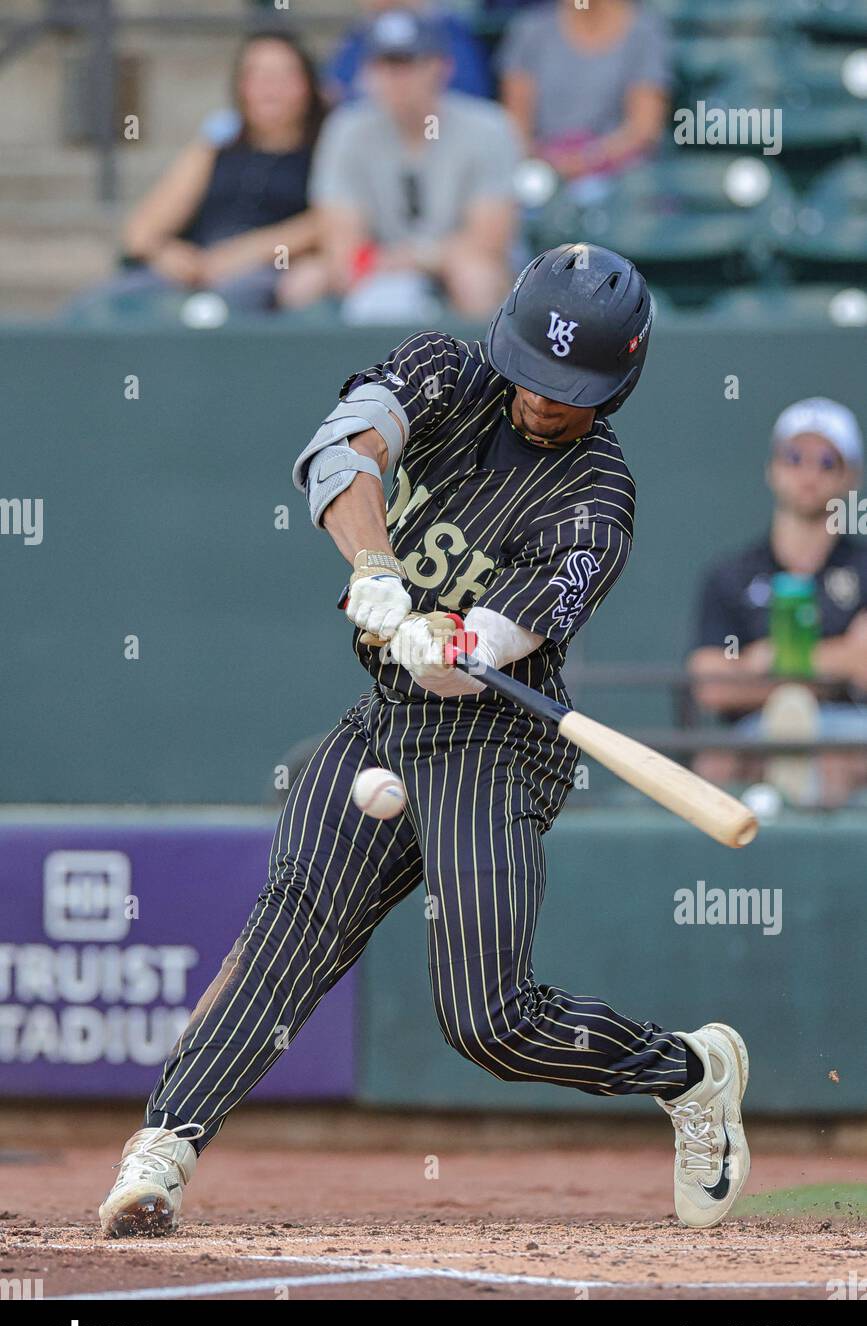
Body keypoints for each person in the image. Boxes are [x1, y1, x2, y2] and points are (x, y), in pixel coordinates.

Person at [98, 243, 750, 1239]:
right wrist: (373, 567)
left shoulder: (598, 502)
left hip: (496, 738)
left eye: (567, 390)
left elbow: (486, 645)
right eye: (532, 372)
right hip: (385, 721)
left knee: (489, 1018)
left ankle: (692, 1069)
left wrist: (448, 635)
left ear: (617, 383)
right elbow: (342, 451)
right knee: (290, 929)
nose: (539, 399)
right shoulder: (446, 371)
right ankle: (164, 1149)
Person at [70, 32, 326, 317]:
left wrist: (244, 253)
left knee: (225, 304)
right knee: (95, 308)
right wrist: (167, 254)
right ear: (241, 87)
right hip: (193, 270)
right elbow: (139, 233)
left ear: (308, 86)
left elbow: (329, 222)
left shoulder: (328, 149)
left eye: (283, 76)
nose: (270, 88)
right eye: (257, 75)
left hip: (267, 276)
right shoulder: (215, 147)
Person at [689, 398, 867, 807]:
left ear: (850, 478)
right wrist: (834, 661)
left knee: (833, 762)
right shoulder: (730, 574)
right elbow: (710, 683)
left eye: (827, 462)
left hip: (848, 728)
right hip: (756, 731)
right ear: (773, 468)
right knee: (715, 764)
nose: (808, 473)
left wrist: (761, 664)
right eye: (794, 457)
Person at [308, 9, 519, 320]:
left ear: (441, 67)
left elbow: (488, 240)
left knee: (475, 276)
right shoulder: (347, 129)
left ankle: (478, 367)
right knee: (304, 281)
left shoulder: (488, 126)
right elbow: (341, 240)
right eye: (383, 65)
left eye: (407, 64)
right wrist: (381, 265)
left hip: (454, 263)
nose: (394, 79)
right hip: (379, 264)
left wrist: (413, 259)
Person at [498, 0, 671, 183]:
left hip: (621, 178)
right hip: (543, 175)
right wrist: (549, 161)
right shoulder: (530, 29)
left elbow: (644, 128)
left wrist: (589, 159)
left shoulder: (645, 32)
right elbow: (516, 126)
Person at [326, 0, 493, 102]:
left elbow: (467, 97)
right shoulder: (360, 34)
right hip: (377, 132)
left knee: (433, 137)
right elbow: (335, 92)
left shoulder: (447, 30)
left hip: (432, 124)